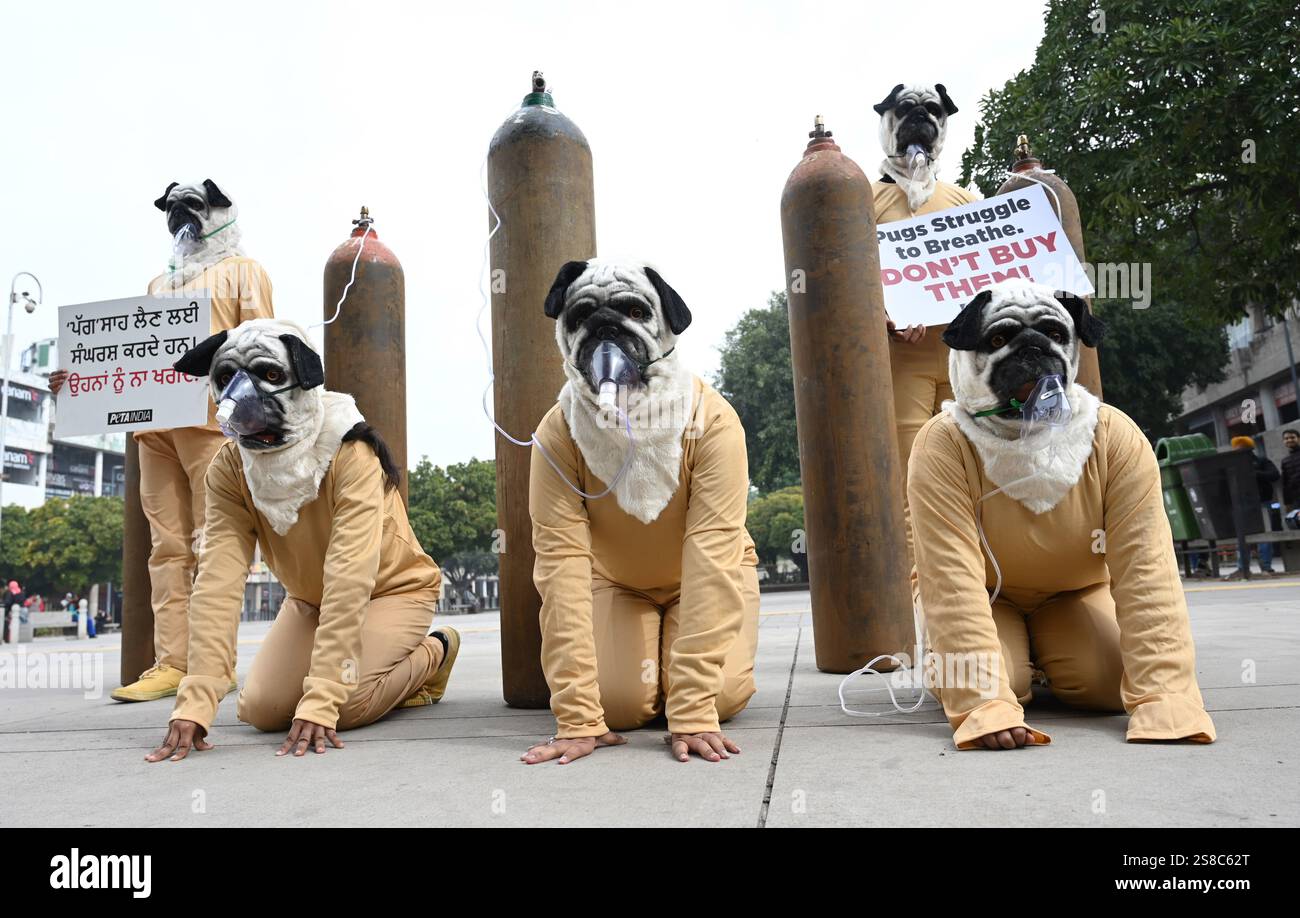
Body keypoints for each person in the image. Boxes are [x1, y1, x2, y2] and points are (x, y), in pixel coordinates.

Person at [908, 281, 1215, 749]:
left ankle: (1044, 650)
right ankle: (1005, 661)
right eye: (999, 339)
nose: (1032, 350)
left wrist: (1166, 697)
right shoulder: (943, 443)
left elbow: (1147, 567)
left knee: (1106, 683)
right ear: (966, 353)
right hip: (988, 596)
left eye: (1052, 334)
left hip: (1075, 591)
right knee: (1001, 682)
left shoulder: (1113, 435)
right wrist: (983, 703)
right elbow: (950, 577)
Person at [146, 320, 458, 762]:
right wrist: (195, 702)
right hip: (310, 600)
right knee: (260, 710)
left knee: (344, 705)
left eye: (270, 375)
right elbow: (217, 581)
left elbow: (350, 574)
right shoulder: (230, 467)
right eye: (227, 378)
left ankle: (436, 650)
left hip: (392, 592)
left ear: (305, 379)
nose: (242, 394)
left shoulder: (349, 450)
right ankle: (352, 675)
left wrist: (323, 697)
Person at [522, 259, 760, 766]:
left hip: (705, 576)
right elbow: (560, 563)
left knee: (718, 698)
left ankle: (681, 682)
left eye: (633, 312)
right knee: (618, 706)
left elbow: (713, 551)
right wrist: (577, 715)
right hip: (614, 582)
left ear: (668, 325)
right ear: (563, 334)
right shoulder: (557, 433)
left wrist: (693, 709)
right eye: (583, 317)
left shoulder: (713, 421)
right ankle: (651, 672)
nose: (606, 332)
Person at [51, 179, 274, 702]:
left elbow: (261, 345)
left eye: (191, 205)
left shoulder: (244, 272)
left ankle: (212, 664)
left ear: (219, 211)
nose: (179, 215)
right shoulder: (157, 285)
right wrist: (76, 381)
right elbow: (128, 355)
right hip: (153, 431)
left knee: (213, 541)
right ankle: (172, 662)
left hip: (212, 425)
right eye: (171, 208)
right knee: (166, 548)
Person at [869, 83, 980, 577]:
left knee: (971, 471)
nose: (919, 119)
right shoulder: (862, 200)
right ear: (886, 121)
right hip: (901, 364)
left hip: (962, 363)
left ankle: (981, 589)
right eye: (905, 111)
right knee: (913, 480)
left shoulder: (965, 201)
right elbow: (842, 279)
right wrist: (883, 312)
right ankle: (922, 595)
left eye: (931, 111)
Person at [1232, 435, 1280, 575]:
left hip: (1262, 502)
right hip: (1243, 504)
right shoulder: (1233, 465)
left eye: (1242, 448)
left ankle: (1266, 566)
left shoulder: (1261, 461)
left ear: (1250, 448)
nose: (1239, 451)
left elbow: (1274, 475)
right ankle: (1242, 567)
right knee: (1242, 536)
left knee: (1264, 535)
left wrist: (1254, 473)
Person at [1280, 429, 1300, 512]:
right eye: (1286, 438)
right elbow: (1285, 483)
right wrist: (1287, 503)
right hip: (1296, 499)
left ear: (1298, 438)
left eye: (1292, 437)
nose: (1289, 440)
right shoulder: (1285, 461)